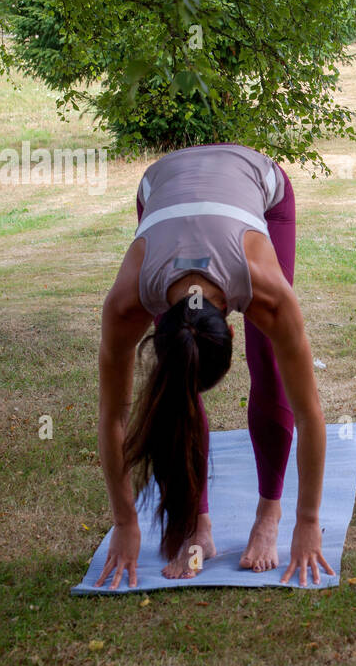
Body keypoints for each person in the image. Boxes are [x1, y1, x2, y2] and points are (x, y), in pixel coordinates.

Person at [94, 143, 332, 588]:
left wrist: (307, 520)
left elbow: (309, 412)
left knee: (271, 361)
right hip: (162, 186)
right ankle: (196, 524)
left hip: (256, 182)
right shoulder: (126, 304)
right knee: (174, 390)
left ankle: (268, 512)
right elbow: (113, 415)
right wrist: (125, 523)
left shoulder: (268, 294)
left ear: (235, 326)